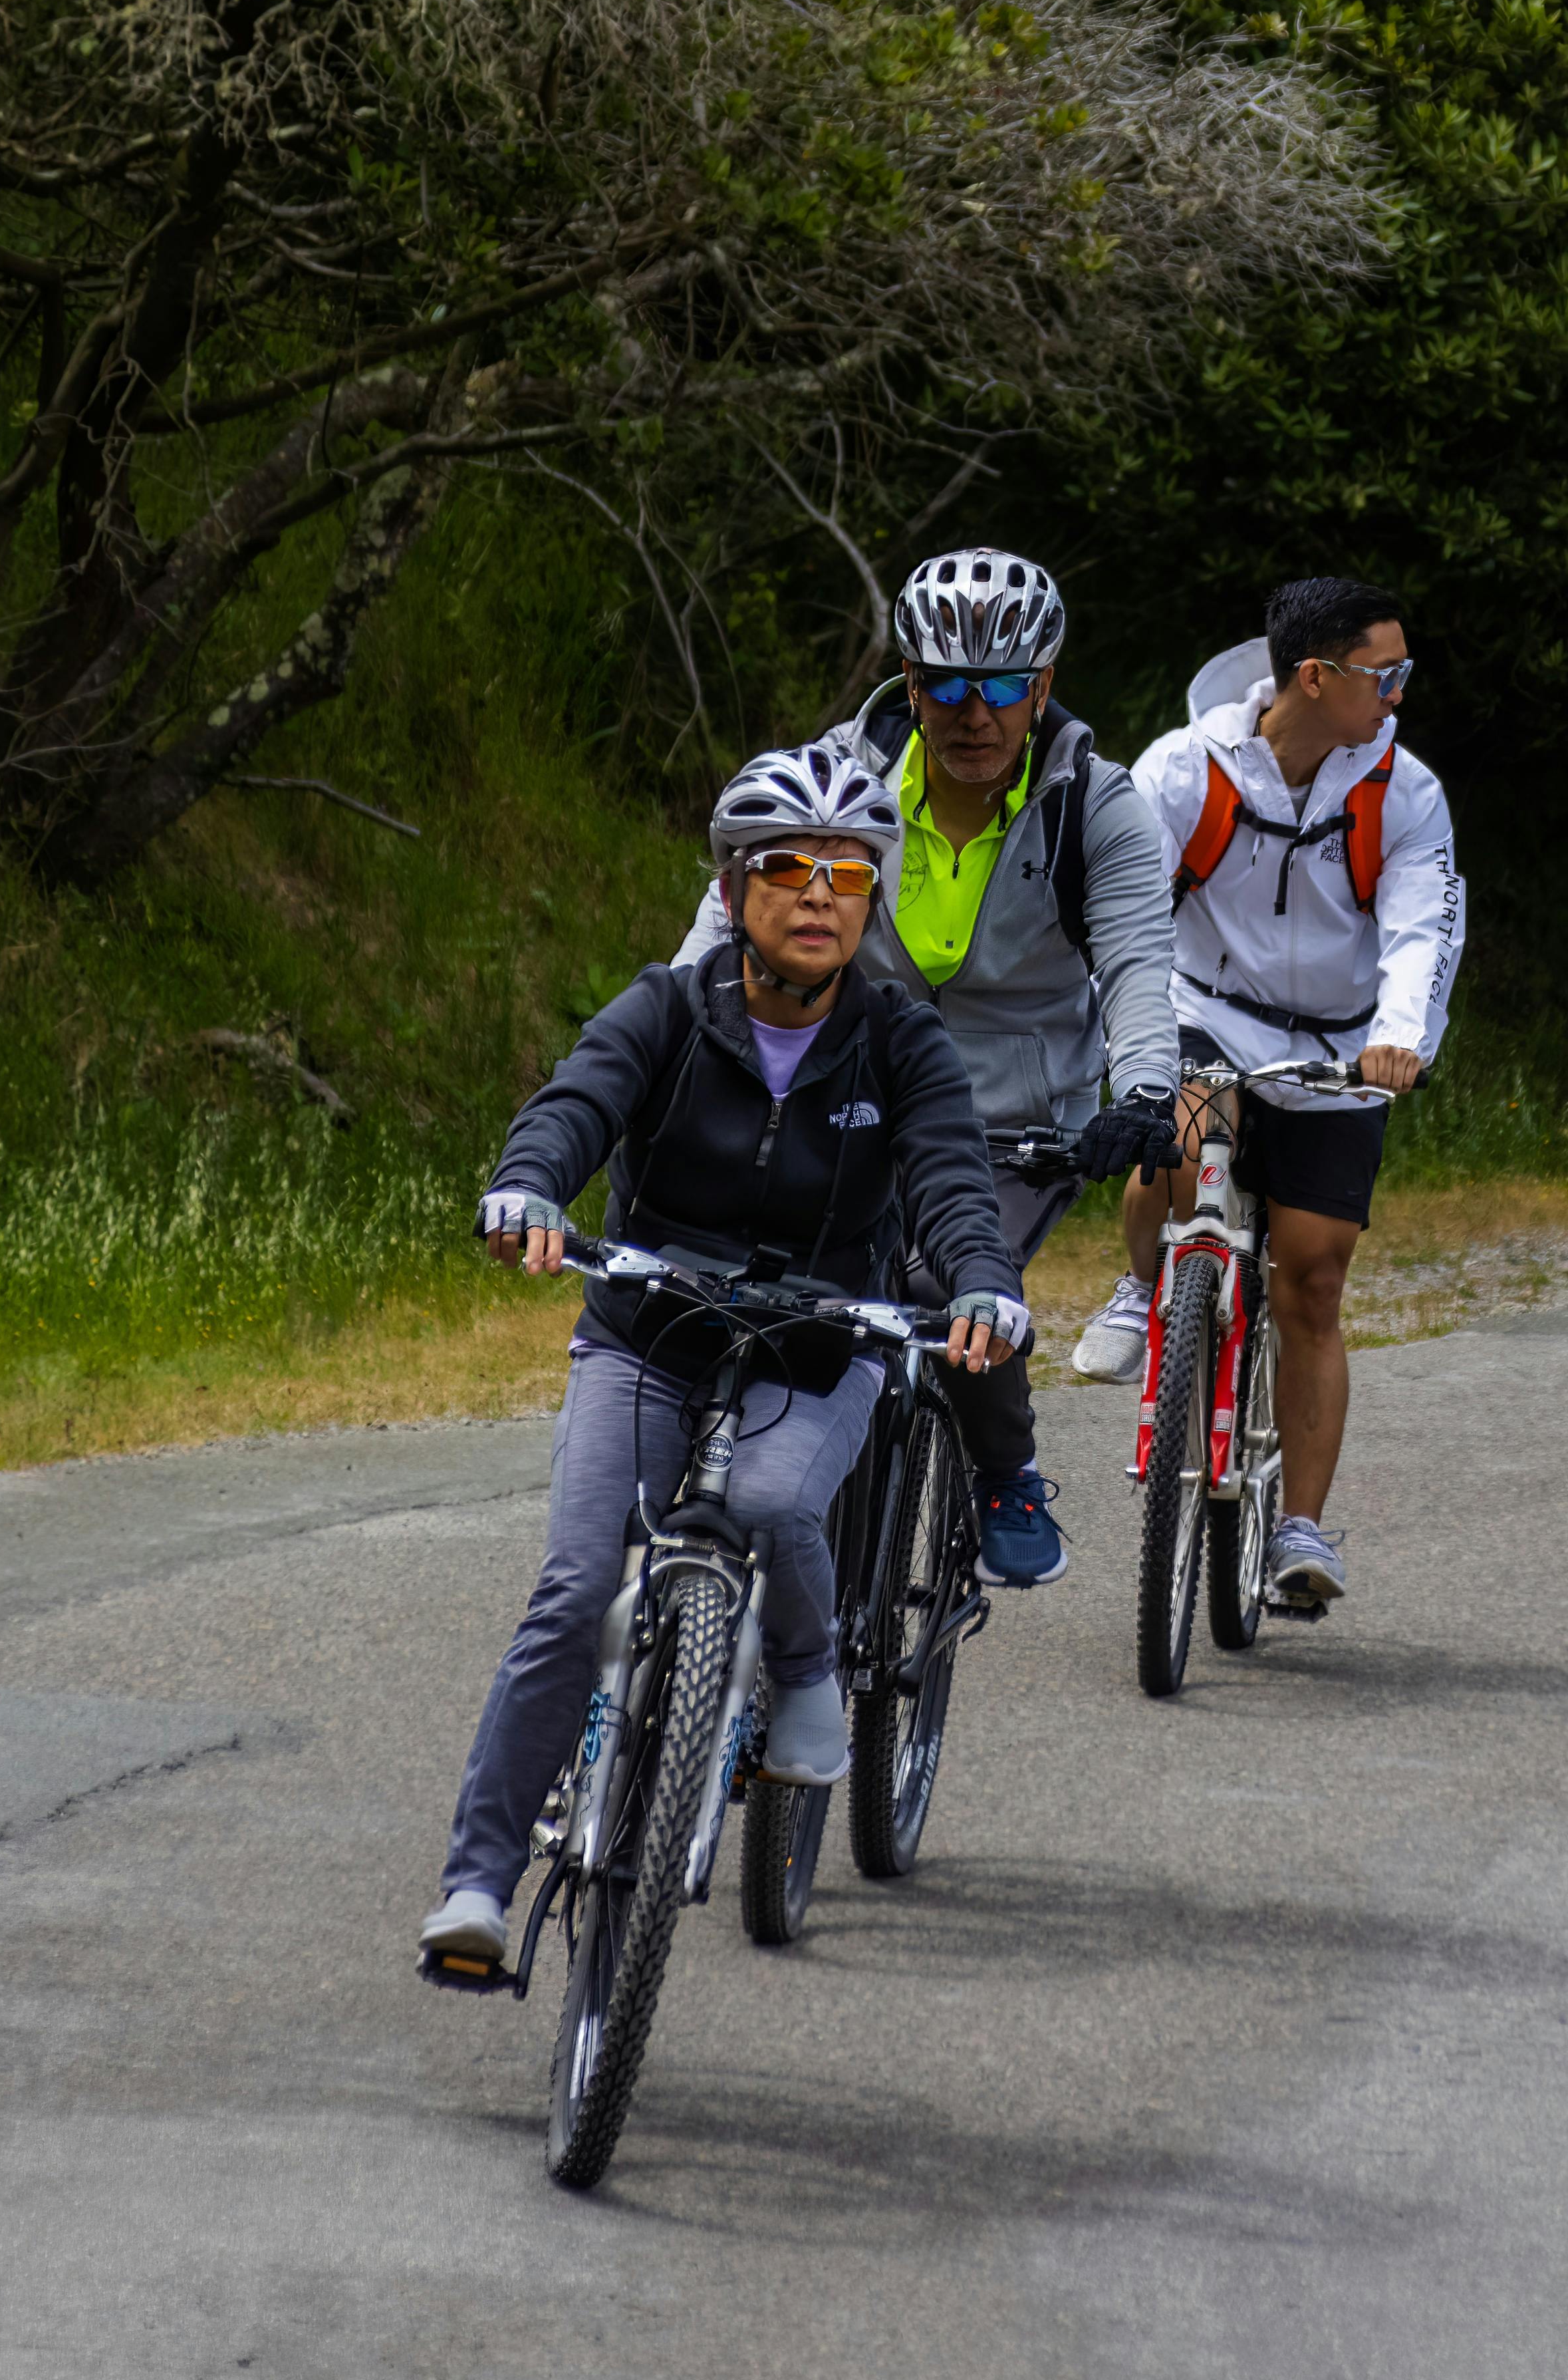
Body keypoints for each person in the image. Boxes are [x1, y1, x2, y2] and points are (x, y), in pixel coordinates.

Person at [420, 744, 1025, 1979]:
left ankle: (805, 1672)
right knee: (578, 1587)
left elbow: (954, 1181)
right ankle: (478, 1885)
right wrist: (529, 1187)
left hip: (821, 1343)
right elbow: (573, 1105)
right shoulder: (666, 1006)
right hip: (649, 1329)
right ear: (736, 887)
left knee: (767, 1500)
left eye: (848, 873)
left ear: (871, 897)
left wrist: (979, 1280)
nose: (818, 895)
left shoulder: (899, 1043)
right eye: (788, 869)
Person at [669, 547, 1184, 1590]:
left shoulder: (1098, 805)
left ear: (1042, 684)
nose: (973, 712)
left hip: (1011, 1114)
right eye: (946, 683)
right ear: (910, 680)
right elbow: (729, 923)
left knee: (941, 1276)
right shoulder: (838, 778)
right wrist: (673, 1030)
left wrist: (1140, 1092)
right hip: (848, 1085)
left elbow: (1136, 965)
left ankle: (1004, 1466)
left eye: (1001, 687)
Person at [1085, 575, 1465, 1611]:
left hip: (1343, 1046)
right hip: (1204, 1004)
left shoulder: (1405, 791)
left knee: (1312, 1280)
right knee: (1178, 1132)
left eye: (1401, 673)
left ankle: (1297, 1526)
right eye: (1383, 674)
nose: (1397, 694)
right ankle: (1141, 1281)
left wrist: (1397, 1041)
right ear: (1313, 675)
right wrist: (1116, 1032)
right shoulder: (1182, 767)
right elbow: (1122, 905)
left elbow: (1421, 926)